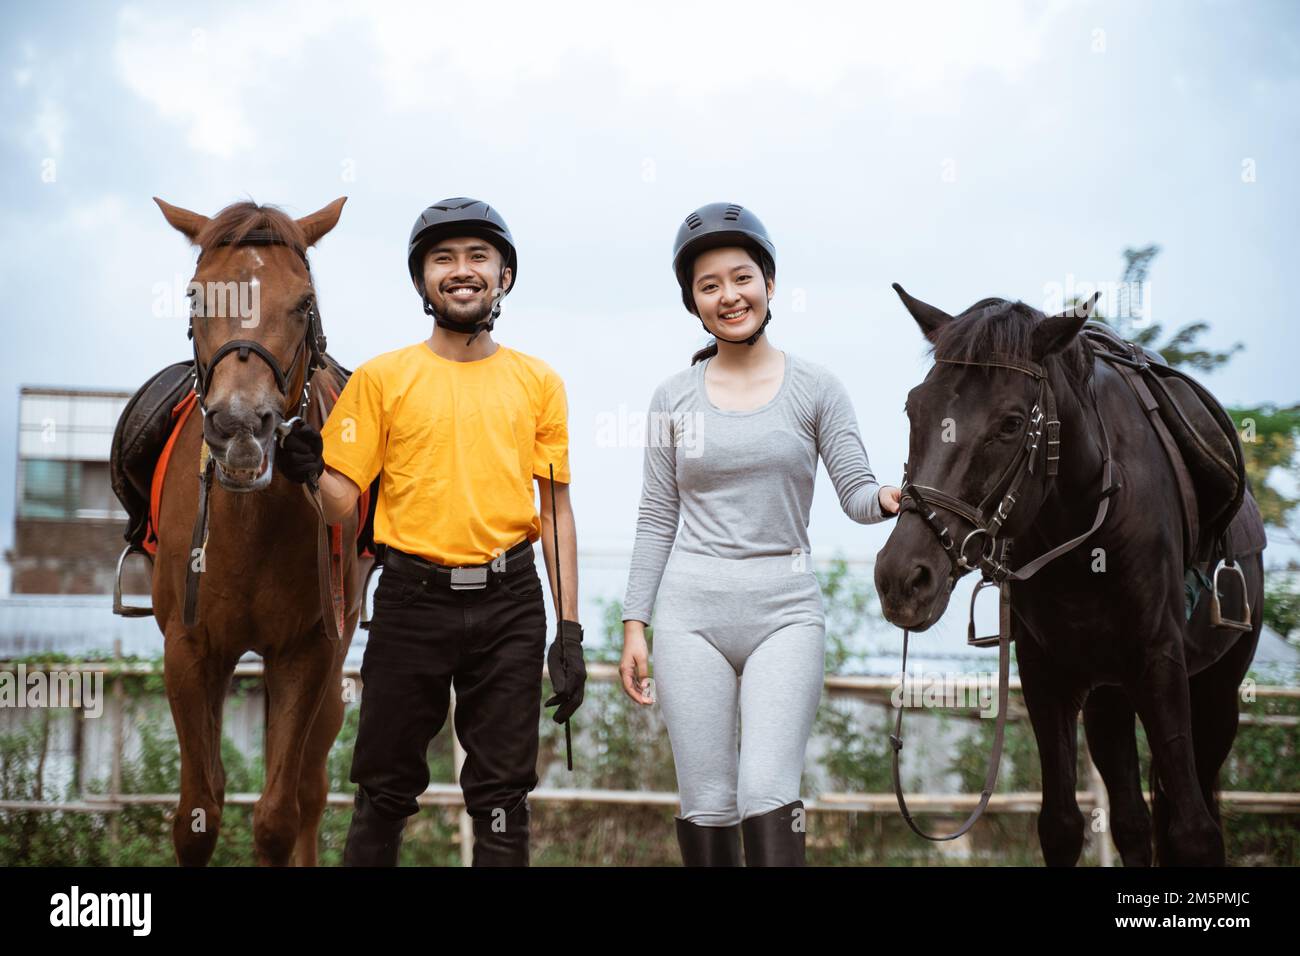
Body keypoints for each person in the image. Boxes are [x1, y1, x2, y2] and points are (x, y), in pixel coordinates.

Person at [277, 198, 586, 866]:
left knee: (503, 791)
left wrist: (568, 630)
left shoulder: (540, 383)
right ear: (422, 282)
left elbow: (556, 512)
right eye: (442, 259)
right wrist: (307, 470)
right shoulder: (383, 380)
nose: (462, 270)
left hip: (512, 601)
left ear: (504, 275)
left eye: (479, 256)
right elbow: (338, 505)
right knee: (384, 786)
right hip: (411, 600)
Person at [619, 202, 901, 866]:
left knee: (768, 791)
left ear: (769, 284)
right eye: (708, 284)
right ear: (693, 301)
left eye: (741, 278)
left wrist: (889, 498)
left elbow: (857, 493)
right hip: (690, 616)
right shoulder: (672, 399)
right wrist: (636, 623)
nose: (728, 295)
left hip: (785, 611)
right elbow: (657, 515)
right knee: (706, 800)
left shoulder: (816, 389)